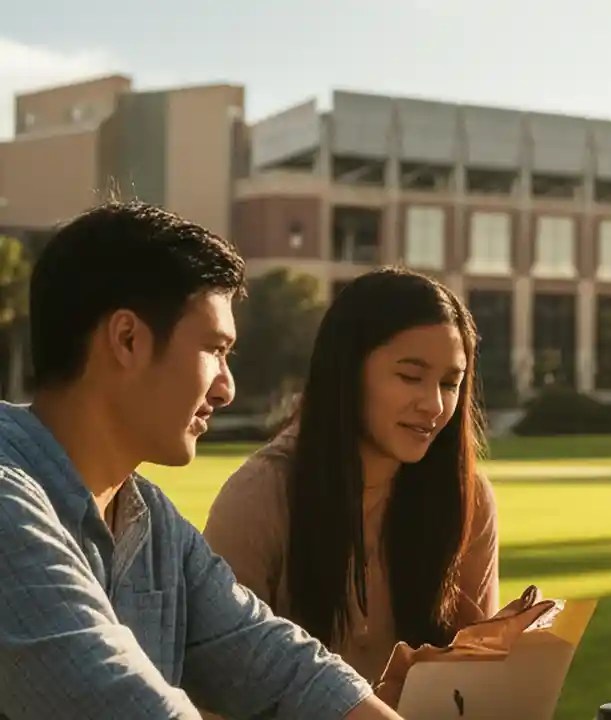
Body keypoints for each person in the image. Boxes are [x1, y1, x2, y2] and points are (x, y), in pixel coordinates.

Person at [0, 202, 401, 719]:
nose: (227, 388)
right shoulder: (8, 501)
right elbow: (118, 703)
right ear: (127, 340)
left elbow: (280, 666)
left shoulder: (151, 523)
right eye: (215, 349)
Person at [204, 267, 498, 685]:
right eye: (410, 376)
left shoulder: (467, 498)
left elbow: (478, 684)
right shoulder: (261, 496)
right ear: (347, 370)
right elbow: (217, 681)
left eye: (451, 383)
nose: (434, 405)